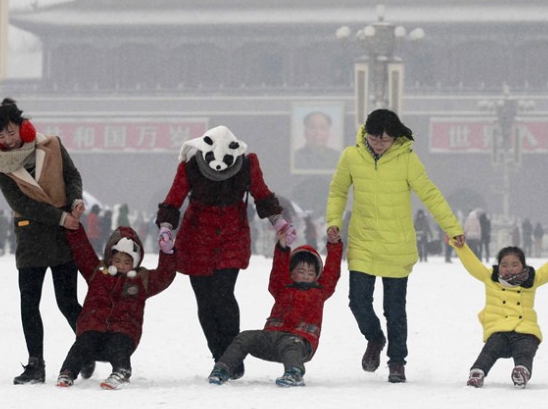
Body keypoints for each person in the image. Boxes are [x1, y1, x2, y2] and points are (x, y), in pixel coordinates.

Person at [326, 108, 466, 383]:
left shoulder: (407, 160)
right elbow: (338, 190)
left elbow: (430, 193)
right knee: (358, 301)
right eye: (374, 138)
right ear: (365, 134)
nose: (379, 144)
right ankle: (375, 338)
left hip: (397, 244)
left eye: (385, 140)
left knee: (395, 309)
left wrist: (452, 228)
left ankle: (397, 361)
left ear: (395, 137)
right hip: (363, 242)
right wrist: (333, 221)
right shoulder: (351, 157)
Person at [155, 125, 294, 379]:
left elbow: (262, 196)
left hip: (232, 236)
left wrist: (280, 223)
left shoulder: (247, 165)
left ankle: (232, 355)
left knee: (223, 294)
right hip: (196, 238)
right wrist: (165, 228)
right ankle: (219, 355)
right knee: (205, 301)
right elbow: (174, 199)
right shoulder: (191, 165)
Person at [0, 98, 89, 385]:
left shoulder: (51, 144)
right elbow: (20, 202)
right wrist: (60, 216)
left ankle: (87, 351)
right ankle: (35, 364)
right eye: (1, 135)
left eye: (10, 131)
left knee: (67, 302)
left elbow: (72, 175)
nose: (7, 139)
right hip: (31, 237)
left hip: (62, 236)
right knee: (29, 303)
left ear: (21, 125)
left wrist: (76, 199)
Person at [208, 225, 343, 387]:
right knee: (244, 337)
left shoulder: (320, 291)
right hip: (272, 338)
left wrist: (334, 245)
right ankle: (223, 369)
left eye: (311, 273)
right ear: (291, 272)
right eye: (301, 271)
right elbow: (278, 270)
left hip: (301, 341)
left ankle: (294, 372)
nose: (306, 275)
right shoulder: (281, 287)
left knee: (291, 344)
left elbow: (332, 272)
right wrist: (282, 247)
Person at [55, 224, 177, 390]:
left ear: (135, 261)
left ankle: (122, 371)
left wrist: (167, 252)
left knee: (120, 345)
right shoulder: (97, 271)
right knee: (82, 344)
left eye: (127, 262)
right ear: (109, 257)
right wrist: (74, 227)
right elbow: (82, 249)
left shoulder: (142, 280)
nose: (121, 265)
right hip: (93, 326)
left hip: (124, 329)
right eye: (117, 260)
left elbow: (165, 275)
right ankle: (68, 372)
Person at [454, 242, 548, 388]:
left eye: (514, 264)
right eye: (504, 265)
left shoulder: (532, 280)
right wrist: (461, 247)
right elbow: (472, 264)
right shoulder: (490, 278)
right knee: (490, 349)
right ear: (498, 267)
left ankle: (521, 371)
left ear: (523, 266)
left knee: (525, 351)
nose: (509, 269)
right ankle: (477, 372)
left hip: (525, 330)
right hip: (499, 330)